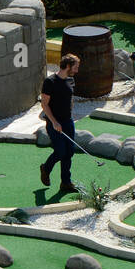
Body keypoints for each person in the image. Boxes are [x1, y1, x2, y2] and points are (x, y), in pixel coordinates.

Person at [40, 54, 79, 194]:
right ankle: (46, 168)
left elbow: (70, 98)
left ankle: (66, 183)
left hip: (68, 121)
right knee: (61, 151)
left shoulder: (70, 80)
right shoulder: (50, 82)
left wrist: (70, 115)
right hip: (53, 123)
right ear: (68, 66)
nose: (77, 70)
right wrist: (54, 122)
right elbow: (44, 104)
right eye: (75, 67)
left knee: (69, 152)